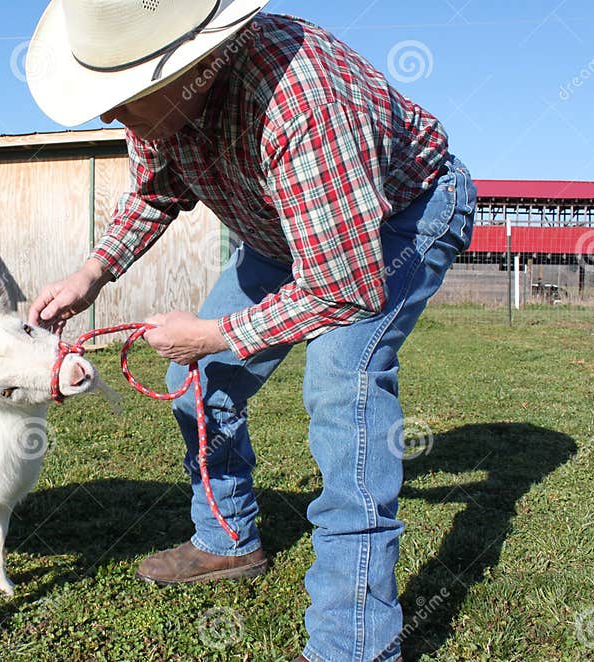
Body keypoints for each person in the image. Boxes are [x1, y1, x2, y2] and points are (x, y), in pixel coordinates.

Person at [25, 2, 476, 660]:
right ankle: (227, 540)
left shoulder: (304, 101)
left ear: (191, 68)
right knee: (195, 381)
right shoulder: (159, 102)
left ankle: (354, 643)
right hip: (282, 236)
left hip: (398, 220)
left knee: (341, 391)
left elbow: (343, 286)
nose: (108, 117)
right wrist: (92, 273)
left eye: (121, 99)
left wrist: (215, 333)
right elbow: (155, 192)